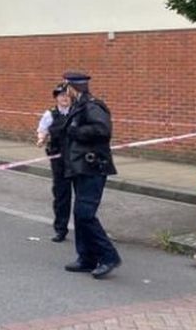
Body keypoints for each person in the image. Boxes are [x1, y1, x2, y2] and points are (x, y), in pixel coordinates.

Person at [61, 70, 121, 279]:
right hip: (80, 168)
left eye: (66, 86)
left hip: (94, 168)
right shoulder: (78, 107)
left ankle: (108, 256)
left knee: (85, 214)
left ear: (72, 87)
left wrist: (76, 133)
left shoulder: (93, 106)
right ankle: (86, 258)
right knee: (79, 215)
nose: (65, 90)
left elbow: (103, 130)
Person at [36, 83, 72, 242]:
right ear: (56, 98)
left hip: (76, 159)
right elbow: (42, 130)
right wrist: (41, 139)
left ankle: (85, 229)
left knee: (82, 196)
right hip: (59, 159)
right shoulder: (50, 114)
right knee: (61, 195)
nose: (64, 98)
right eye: (61, 95)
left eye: (67, 95)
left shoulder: (77, 112)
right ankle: (60, 229)